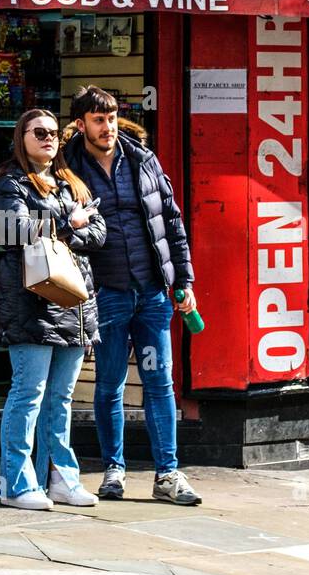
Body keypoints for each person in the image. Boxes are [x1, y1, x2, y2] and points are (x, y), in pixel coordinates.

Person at [62, 85, 203, 506]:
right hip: (105, 293)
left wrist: (184, 280)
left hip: (152, 292)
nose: (107, 127)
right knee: (109, 385)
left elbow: (172, 222)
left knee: (159, 382)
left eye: (110, 118)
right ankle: (113, 469)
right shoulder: (68, 167)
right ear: (81, 124)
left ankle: (168, 474)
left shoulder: (142, 160)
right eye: (98, 120)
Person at [0, 108, 106, 510]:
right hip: (32, 302)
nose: (48, 139)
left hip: (73, 301)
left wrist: (71, 229)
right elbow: (17, 229)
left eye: (54, 133)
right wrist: (70, 224)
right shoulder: (11, 181)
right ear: (21, 137)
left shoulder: (72, 182)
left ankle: (61, 479)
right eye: (38, 132)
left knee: (61, 399)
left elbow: (99, 231)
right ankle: (16, 483)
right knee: (29, 394)